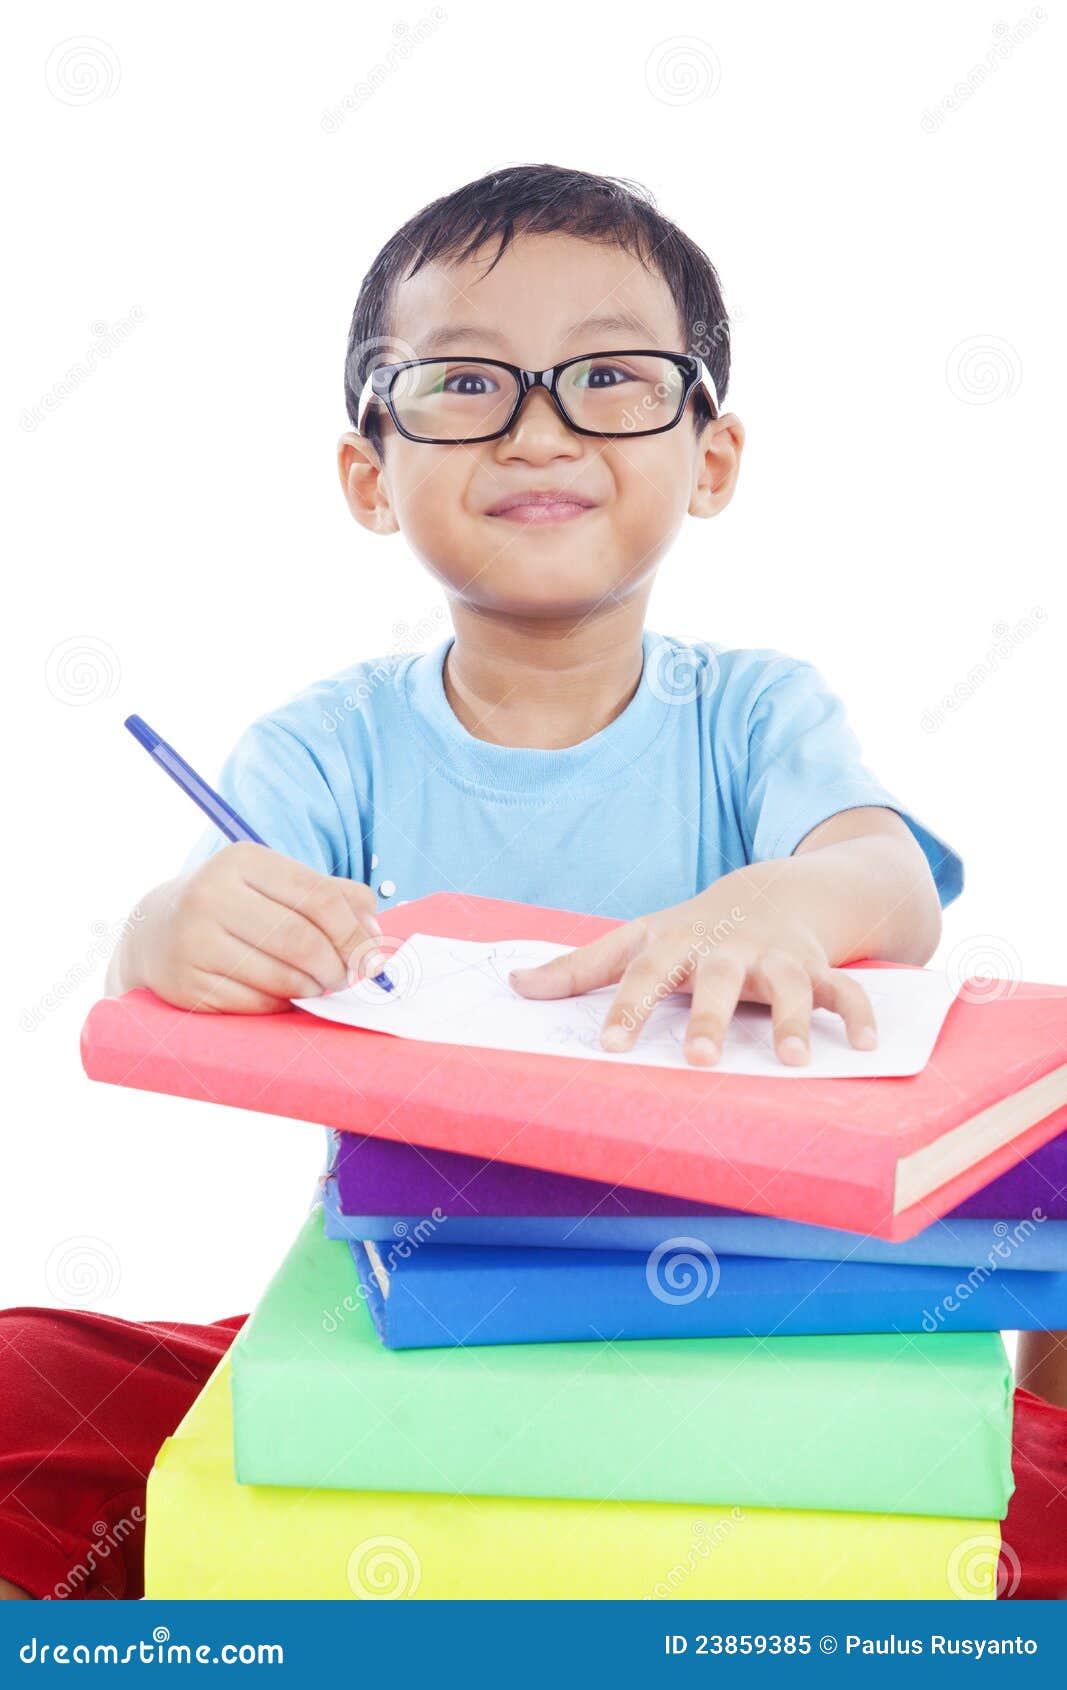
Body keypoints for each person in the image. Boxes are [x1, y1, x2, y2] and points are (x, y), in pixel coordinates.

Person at [2, 164, 1060, 1601]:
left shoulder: (753, 713)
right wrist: (165, 932)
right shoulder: (327, 745)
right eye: (465, 384)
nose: (538, 429)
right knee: (22, 1384)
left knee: (1011, 1497)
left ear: (713, 458)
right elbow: (183, 962)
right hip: (405, 1334)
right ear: (370, 472)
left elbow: (889, 880)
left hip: (757, 1338)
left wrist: (782, 904)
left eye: (609, 378)